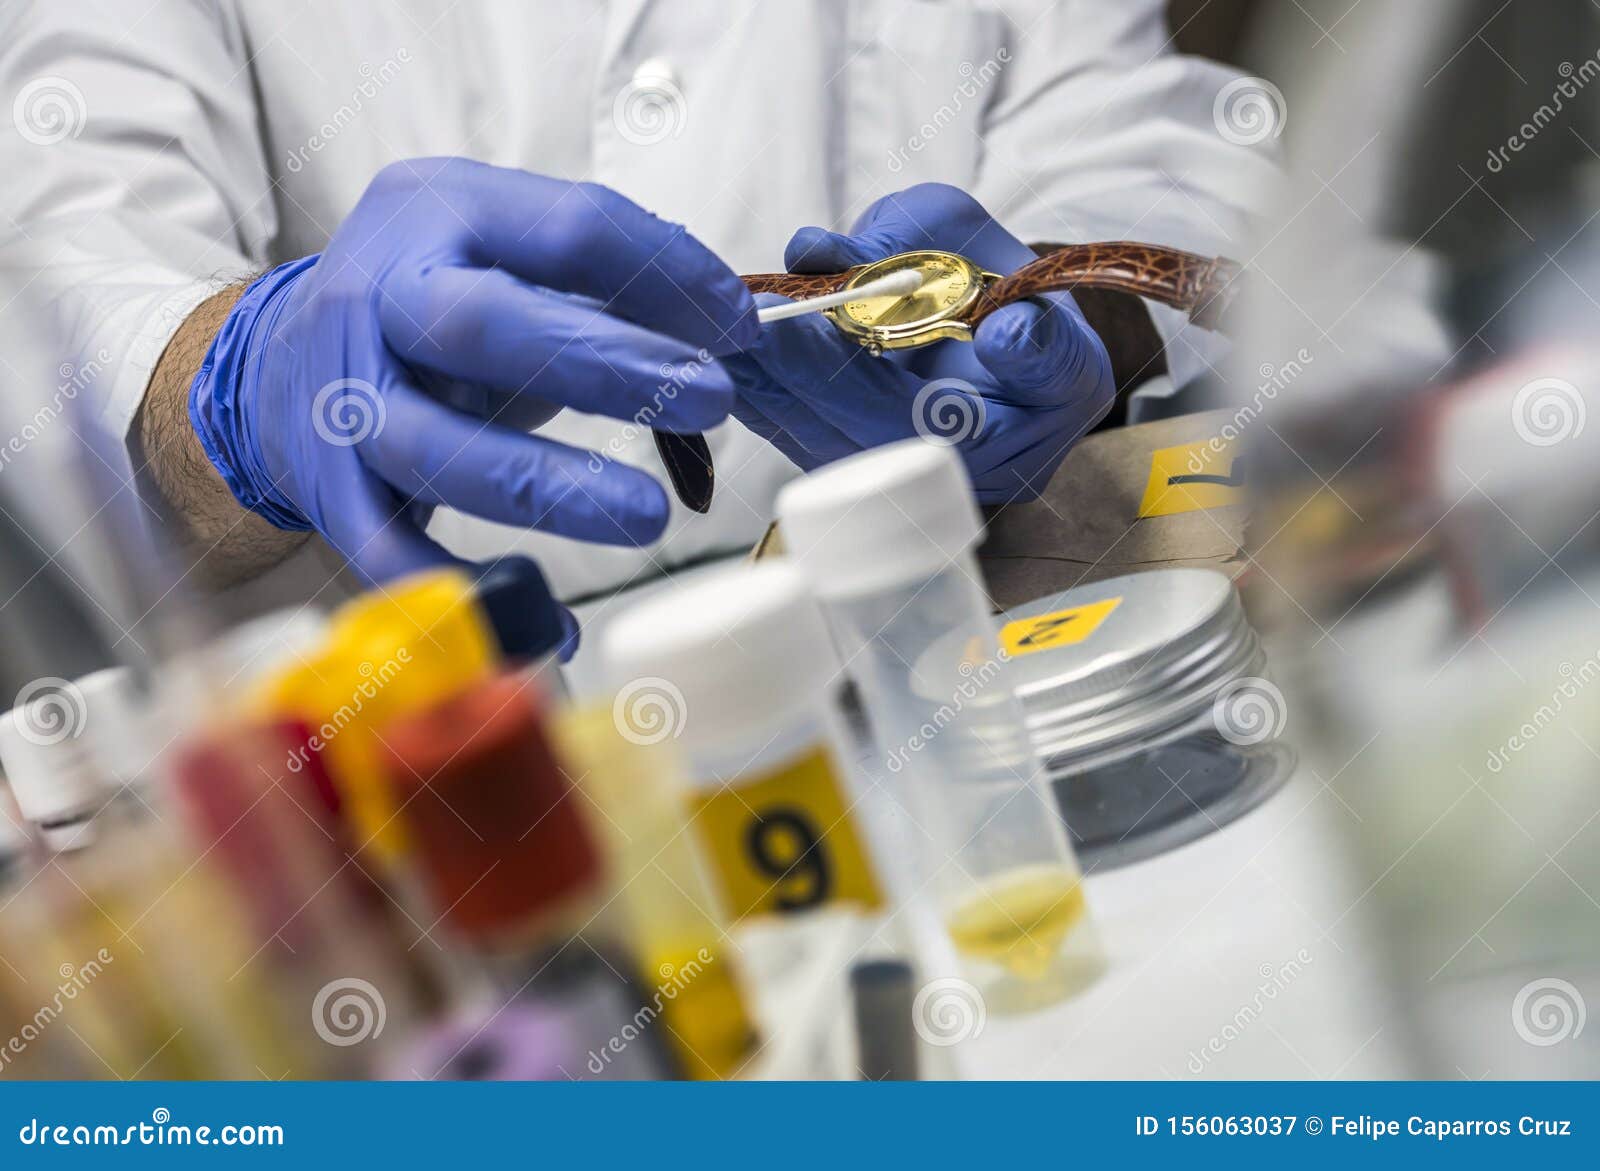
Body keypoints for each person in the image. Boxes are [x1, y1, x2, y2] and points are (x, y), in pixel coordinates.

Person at [0, 1, 1272, 656]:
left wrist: (1073, 320)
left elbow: (1130, 120)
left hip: (979, 629)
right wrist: (240, 383)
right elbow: (68, 274)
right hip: (446, 784)